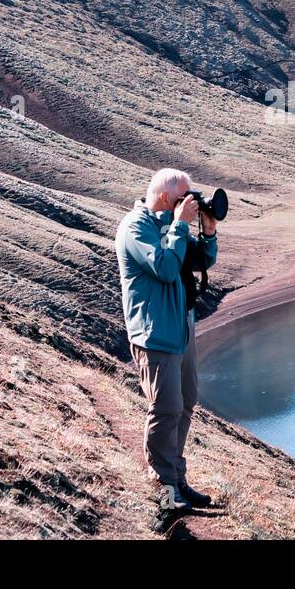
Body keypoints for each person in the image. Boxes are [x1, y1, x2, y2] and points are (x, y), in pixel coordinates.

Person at [114, 168, 218, 515]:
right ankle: (163, 485)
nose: (186, 204)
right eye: (181, 198)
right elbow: (165, 268)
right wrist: (179, 224)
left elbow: (201, 260)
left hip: (182, 327)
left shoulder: (168, 225)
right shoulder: (136, 227)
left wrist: (208, 229)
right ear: (163, 198)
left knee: (186, 402)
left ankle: (176, 476)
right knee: (166, 407)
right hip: (155, 332)